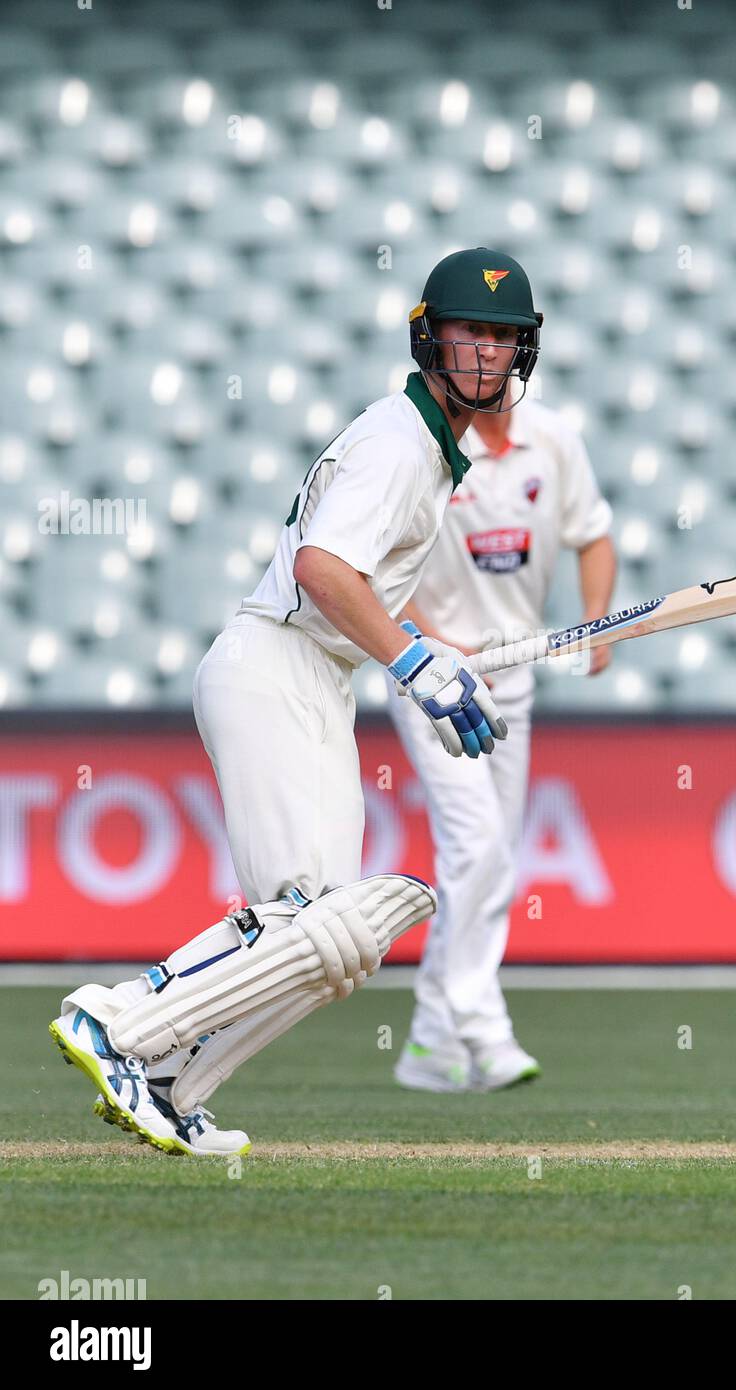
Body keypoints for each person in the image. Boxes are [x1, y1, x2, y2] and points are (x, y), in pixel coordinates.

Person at [48, 247, 542, 1154]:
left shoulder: (423, 453)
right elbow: (322, 567)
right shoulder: (398, 443)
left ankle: (171, 1082)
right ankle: (118, 1022)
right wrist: (413, 665)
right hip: (275, 664)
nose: (488, 353)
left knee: (337, 946)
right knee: (301, 921)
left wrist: (430, 652)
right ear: (430, 338)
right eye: (472, 332)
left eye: (505, 338)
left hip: (315, 678)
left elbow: (365, 591)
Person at [388, 383, 616, 1092]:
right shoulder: (426, 452)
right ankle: (485, 1032)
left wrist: (596, 619)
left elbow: (594, 535)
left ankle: (430, 1045)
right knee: (476, 843)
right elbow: (386, 563)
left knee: (492, 858)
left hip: (515, 672)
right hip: (436, 674)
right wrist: (435, 641)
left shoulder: (552, 440)